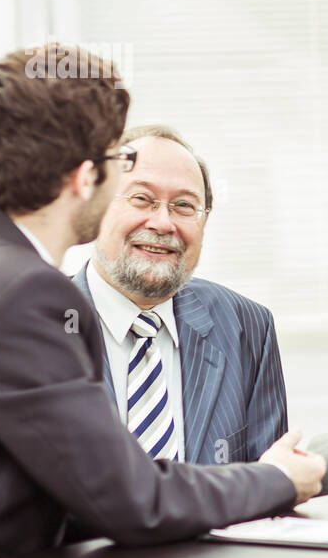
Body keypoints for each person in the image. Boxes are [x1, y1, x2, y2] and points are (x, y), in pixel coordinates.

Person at [0, 45, 324, 558]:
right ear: (85, 177)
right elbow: (130, 498)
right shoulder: (25, 294)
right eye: (118, 162)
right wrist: (277, 479)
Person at [71, 125, 286, 464]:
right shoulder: (37, 325)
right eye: (141, 198)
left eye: (184, 205)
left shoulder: (248, 326)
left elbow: (273, 485)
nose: (162, 223)